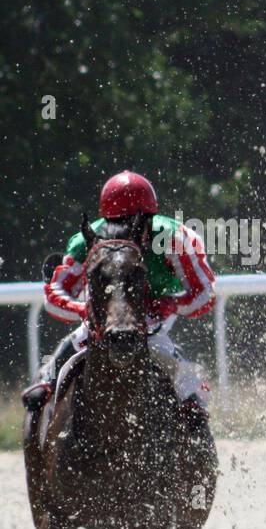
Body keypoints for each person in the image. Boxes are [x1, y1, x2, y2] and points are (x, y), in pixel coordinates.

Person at [22, 171, 216, 427]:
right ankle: (48, 381)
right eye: (118, 222)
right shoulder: (86, 241)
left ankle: (194, 406)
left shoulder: (176, 238)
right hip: (101, 317)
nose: (125, 230)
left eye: (134, 222)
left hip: (152, 318)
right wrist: (84, 309)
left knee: (169, 358)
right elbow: (55, 294)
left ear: (150, 219)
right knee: (77, 342)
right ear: (106, 220)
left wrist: (172, 304)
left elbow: (205, 292)